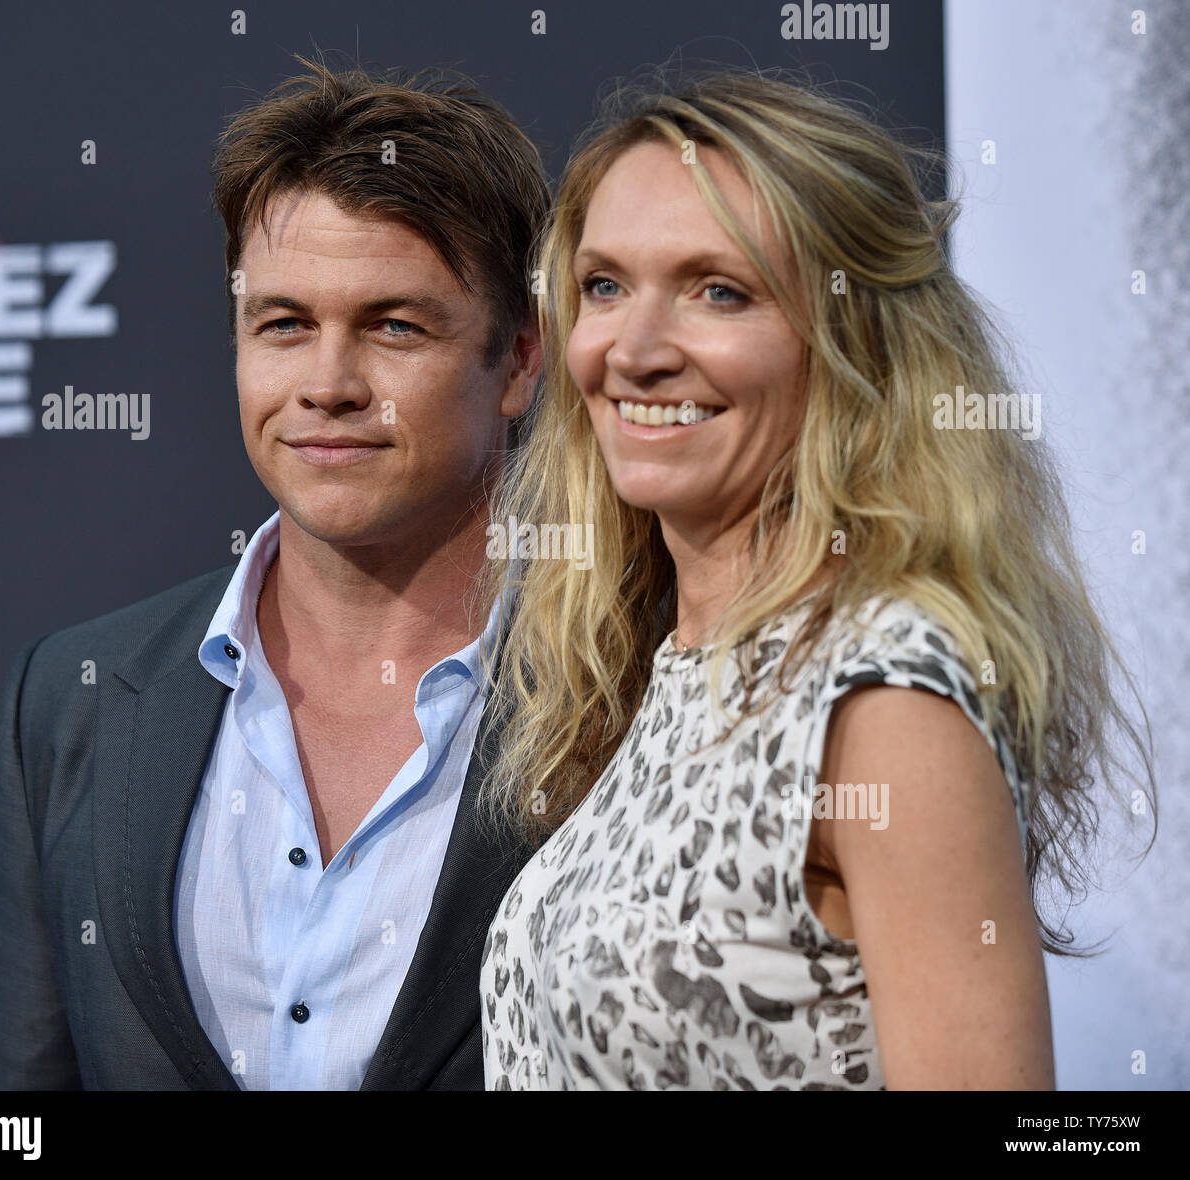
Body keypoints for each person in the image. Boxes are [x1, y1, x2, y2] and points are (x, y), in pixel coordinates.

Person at [475, 67, 1157, 1091]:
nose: (636, 348)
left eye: (719, 290)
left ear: (851, 345)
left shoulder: (880, 700)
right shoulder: (675, 675)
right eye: (605, 285)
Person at [0, 55, 547, 1090]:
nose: (327, 384)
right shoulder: (73, 698)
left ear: (518, 359)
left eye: (394, 326)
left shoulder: (642, 687)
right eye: (283, 324)